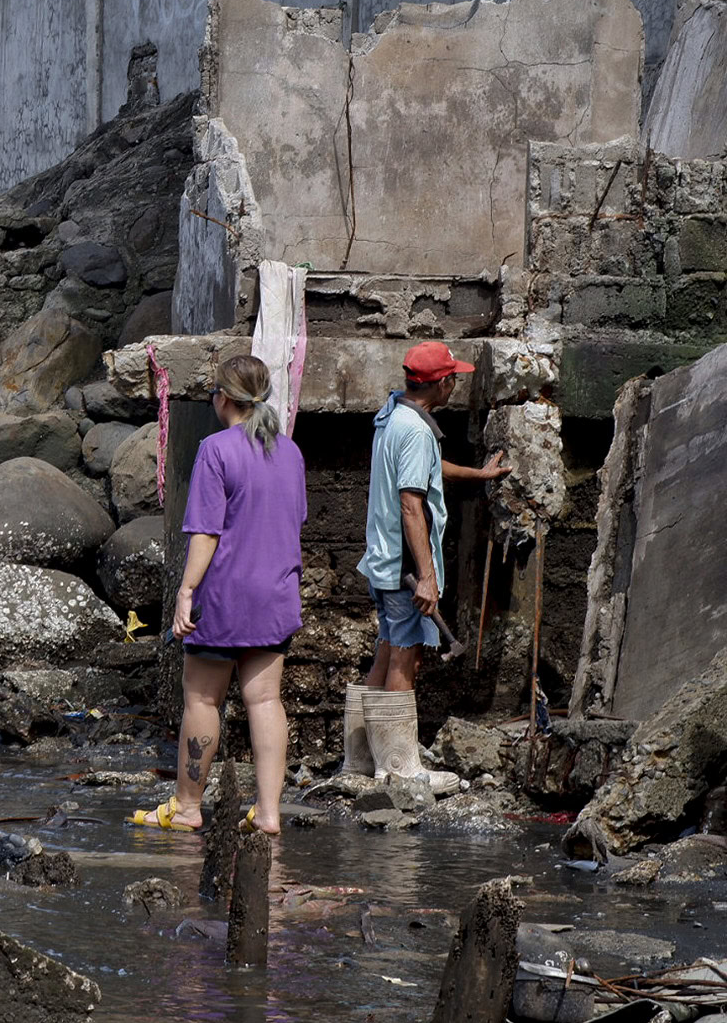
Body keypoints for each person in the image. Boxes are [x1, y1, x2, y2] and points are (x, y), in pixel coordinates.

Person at [132, 355, 307, 835]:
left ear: (223, 398)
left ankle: (188, 807)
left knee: (203, 699)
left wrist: (186, 590)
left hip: (226, 595)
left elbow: (206, 533)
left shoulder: (215, 449)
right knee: (266, 700)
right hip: (276, 594)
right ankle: (269, 814)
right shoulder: (290, 451)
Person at [346, 340, 510, 789]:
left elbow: (427, 468)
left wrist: (478, 476)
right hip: (405, 569)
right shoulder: (417, 431)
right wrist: (428, 576)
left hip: (382, 562)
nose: (456, 384)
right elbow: (411, 505)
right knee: (404, 657)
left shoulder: (393, 416)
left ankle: (359, 759)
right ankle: (400, 770)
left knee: (386, 647)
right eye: (452, 378)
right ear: (440, 384)